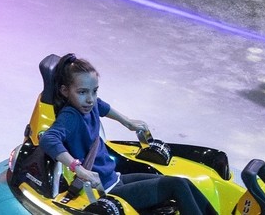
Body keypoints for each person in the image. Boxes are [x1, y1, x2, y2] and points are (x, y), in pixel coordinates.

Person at [40, 55, 216, 214]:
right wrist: (79, 169)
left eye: (94, 91)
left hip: (116, 179)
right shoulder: (71, 116)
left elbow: (102, 106)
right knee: (175, 185)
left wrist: (127, 121)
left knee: (182, 182)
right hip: (106, 190)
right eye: (82, 92)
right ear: (64, 91)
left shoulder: (89, 106)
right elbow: (49, 139)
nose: (90, 99)